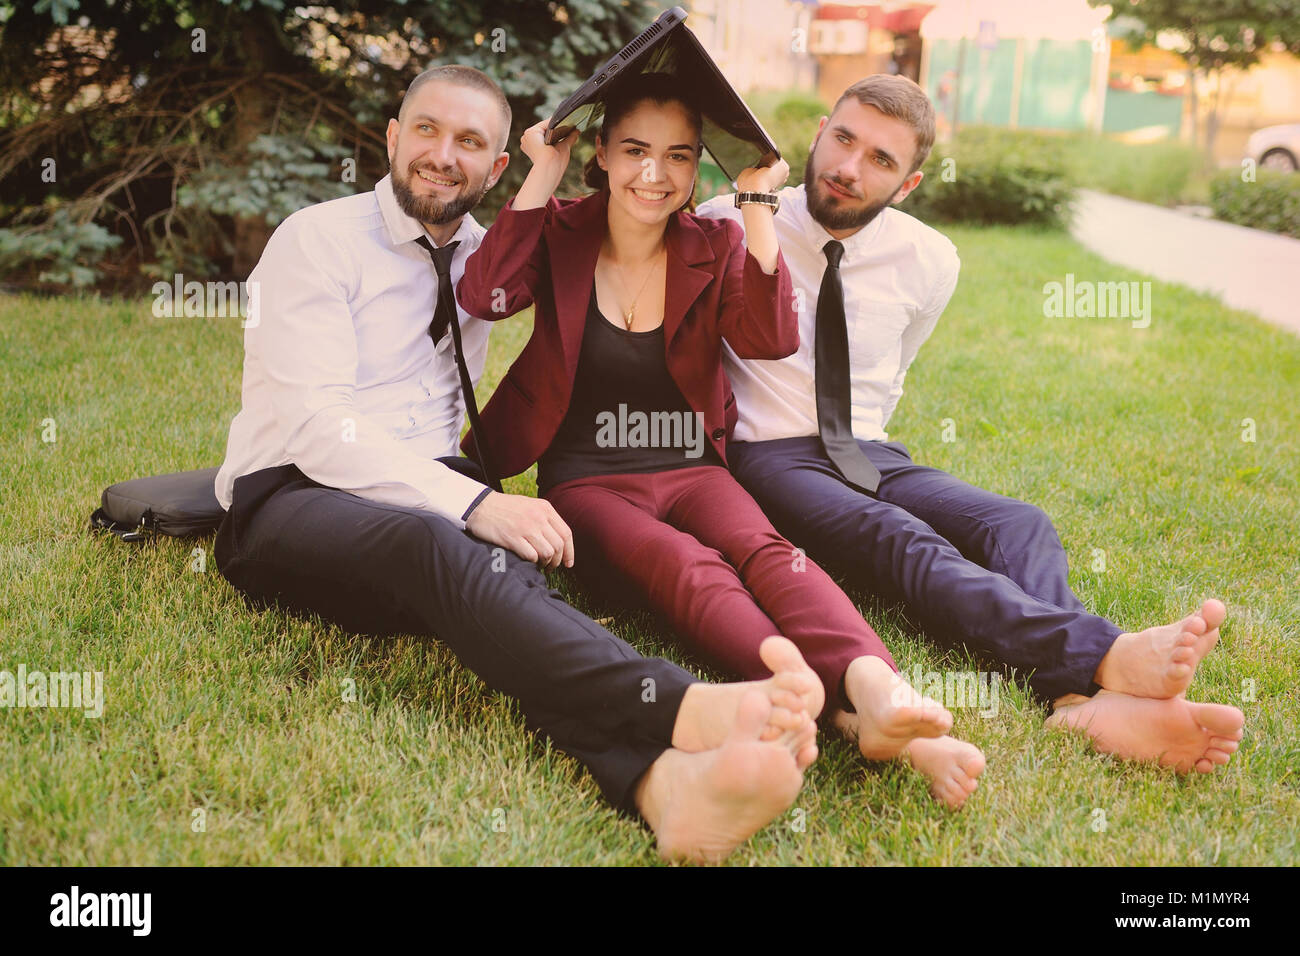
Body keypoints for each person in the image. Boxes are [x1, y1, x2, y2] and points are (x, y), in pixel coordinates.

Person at [211, 64, 826, 864]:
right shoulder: (317, 240)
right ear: (392, 138)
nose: (444, 156)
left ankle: (661, 786)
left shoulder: (485, 250)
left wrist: (468, 503)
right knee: (439, 545)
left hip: (429, 494)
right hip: (293, 496)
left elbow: (496, 285)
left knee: (508, 598)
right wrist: (474, 504)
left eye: (470, 142)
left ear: (498, 165)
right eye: (426, 130)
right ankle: (685, 708)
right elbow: (318, 428)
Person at [456, 72, 985, 810]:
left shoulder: (712, 240)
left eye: (678, 155)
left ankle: (873, 685)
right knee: (685, 564)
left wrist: (757, 204)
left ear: (696, 165)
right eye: (634, 150)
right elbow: (485, 295)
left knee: (769, 552)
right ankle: (803, 689)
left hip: (691, 463)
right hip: (587, 478)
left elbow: (769, 337)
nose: (655, 173)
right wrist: (542, 172)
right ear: (601, 153)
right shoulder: (562, 231)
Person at [694, 73, 1245, 774]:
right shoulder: (733, 219)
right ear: (821, 131)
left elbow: (892, 373)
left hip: (867, 449)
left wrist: (871, 458)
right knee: (899, 535)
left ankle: (1077, 699)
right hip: (772, 455)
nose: (849, 167)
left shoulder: (929, 259)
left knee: (1020, 524)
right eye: (844, 139)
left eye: (880, 159)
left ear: (909, 184)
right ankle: (1104, 654)